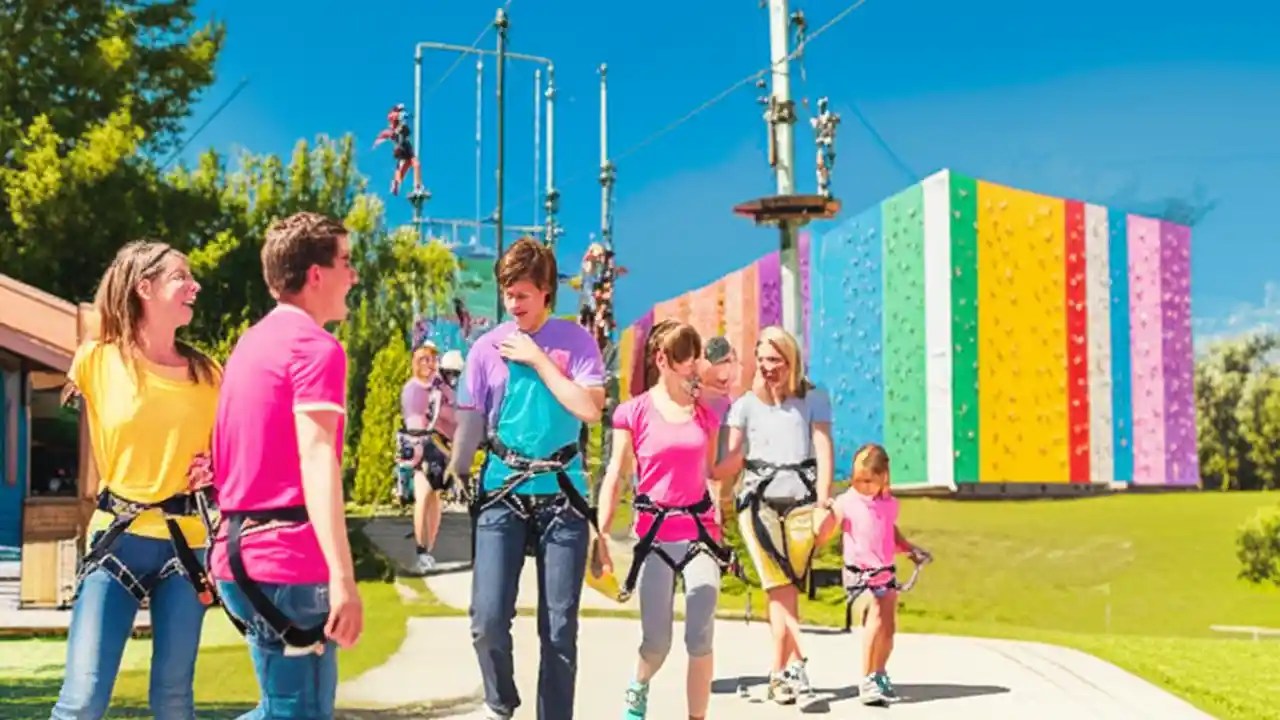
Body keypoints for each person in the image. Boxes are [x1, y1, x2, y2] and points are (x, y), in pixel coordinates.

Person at [51, 241, 221, 720]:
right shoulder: (95, 361)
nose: (195, 286)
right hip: (116, 543)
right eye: (181, 277)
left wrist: (216, 470)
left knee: (173, 701)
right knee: (81, 699)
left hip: (187, 549)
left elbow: (230, 453)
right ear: (143, 287)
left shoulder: (209, 375)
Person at [210, 211, 364, 719]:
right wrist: (342, 577)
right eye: (345, 261)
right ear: (315, 275)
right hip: (289, 567)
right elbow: (317, 458)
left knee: (283, 708)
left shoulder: (249, 347)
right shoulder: (316, 348)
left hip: (237, 561)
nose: (354, 275)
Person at [448, 237, 605, 720]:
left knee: (558, 628)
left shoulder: (576, 342)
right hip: (503, 492)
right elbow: (472, 421)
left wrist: (538, 359)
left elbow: (590, 410)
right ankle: (501, 701)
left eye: (522, 294)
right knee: (487, 621)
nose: (512, 304)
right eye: (507, 294)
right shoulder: (483, 350)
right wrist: (454, 469)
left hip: (562, 497)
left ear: (546, 293)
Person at [596, 320, 729, 720]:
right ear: (662, 361)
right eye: (685, 363)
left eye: (695, 361)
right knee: (657, 642)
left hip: (699, 535)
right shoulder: (632, 413)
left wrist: (720, 532)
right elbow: (617, 473)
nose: (693, 370)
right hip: (654, 537)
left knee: (700, 627)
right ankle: (639, 685)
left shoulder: (706, 415)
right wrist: (600, 531)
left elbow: (709, 476)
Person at [714, 325, 834, 706]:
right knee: (779, 586)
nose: (767, 368)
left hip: (801, 502)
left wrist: (823, 501)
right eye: (762, 360)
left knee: (786, 588)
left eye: (775, 361)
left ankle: (781, 673)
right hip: (757, 503)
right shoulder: (745, 405)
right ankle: (792, 669)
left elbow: (823, 448)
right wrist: (714, 485)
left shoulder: (814, 398)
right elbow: (731, 459)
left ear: (791, 361)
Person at [815, 443, 931, 706]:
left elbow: (889, 531)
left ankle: (879, 672)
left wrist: (909, 549)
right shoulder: (846, 502)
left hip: (885, 573)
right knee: (876, 614)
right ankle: (866, 679)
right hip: (858, 577)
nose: (862, 485)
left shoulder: (889, 505)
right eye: (857, 480)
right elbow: (824, 533)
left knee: (888, 630)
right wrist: (824, 514)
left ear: (883, 477)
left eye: (868, 480)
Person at [396, 340, 461, 573]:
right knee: (423, 496)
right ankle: (420, 549)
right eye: (425, 359)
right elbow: (416, 421)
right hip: (421, 446)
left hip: (442, 448)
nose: (430, 364)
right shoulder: (413, 389)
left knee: (435, 500)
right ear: (416, 362)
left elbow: (454, 413)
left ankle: (429, 550)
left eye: (433, 359)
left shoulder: (440, 387)